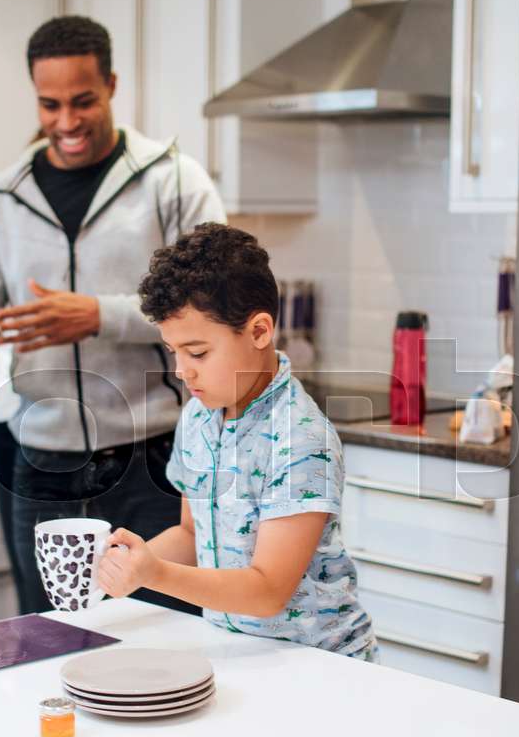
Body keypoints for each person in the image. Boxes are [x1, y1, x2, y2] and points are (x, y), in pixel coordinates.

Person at [0, 15, 223, 615]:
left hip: (155, 457)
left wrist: (99, 316)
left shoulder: (173, 181)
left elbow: (216, 308)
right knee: (53, 634)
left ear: (111, 84)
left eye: (82, 101)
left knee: (165, 627)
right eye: (49, 104)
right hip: (42, 461)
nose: (65, 122)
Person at [95, 223, 377, 659]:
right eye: (174, 352)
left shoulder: (301, 439)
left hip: (319, 662)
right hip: (237, 649)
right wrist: (126, 565)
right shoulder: (198, 416)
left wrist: (153, 575)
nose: (182, 371)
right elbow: (192, 532)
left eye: (198, 352)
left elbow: (266, 590)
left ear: (260, 331)